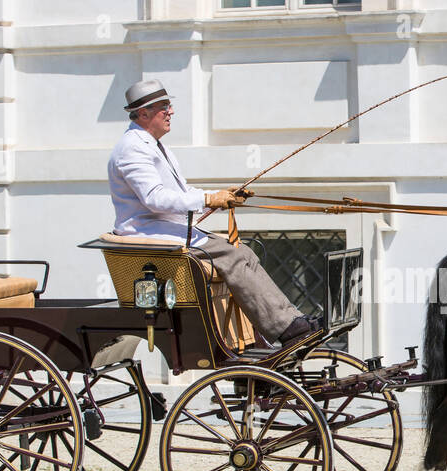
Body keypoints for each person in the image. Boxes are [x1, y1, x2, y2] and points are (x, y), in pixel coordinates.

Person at [108, 79, 320, 346]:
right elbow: (155, 198)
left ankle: (271, 330)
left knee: (242, 250)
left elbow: (182, 191)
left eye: (169, 105)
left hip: (168, 232)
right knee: (232, 254)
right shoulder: (132, 148)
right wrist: (208, 198)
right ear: (144, 113)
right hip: (150, 236)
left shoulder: (154, 145)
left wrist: (220, 197)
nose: (171, 111)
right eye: (164, 107)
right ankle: (285, 328)